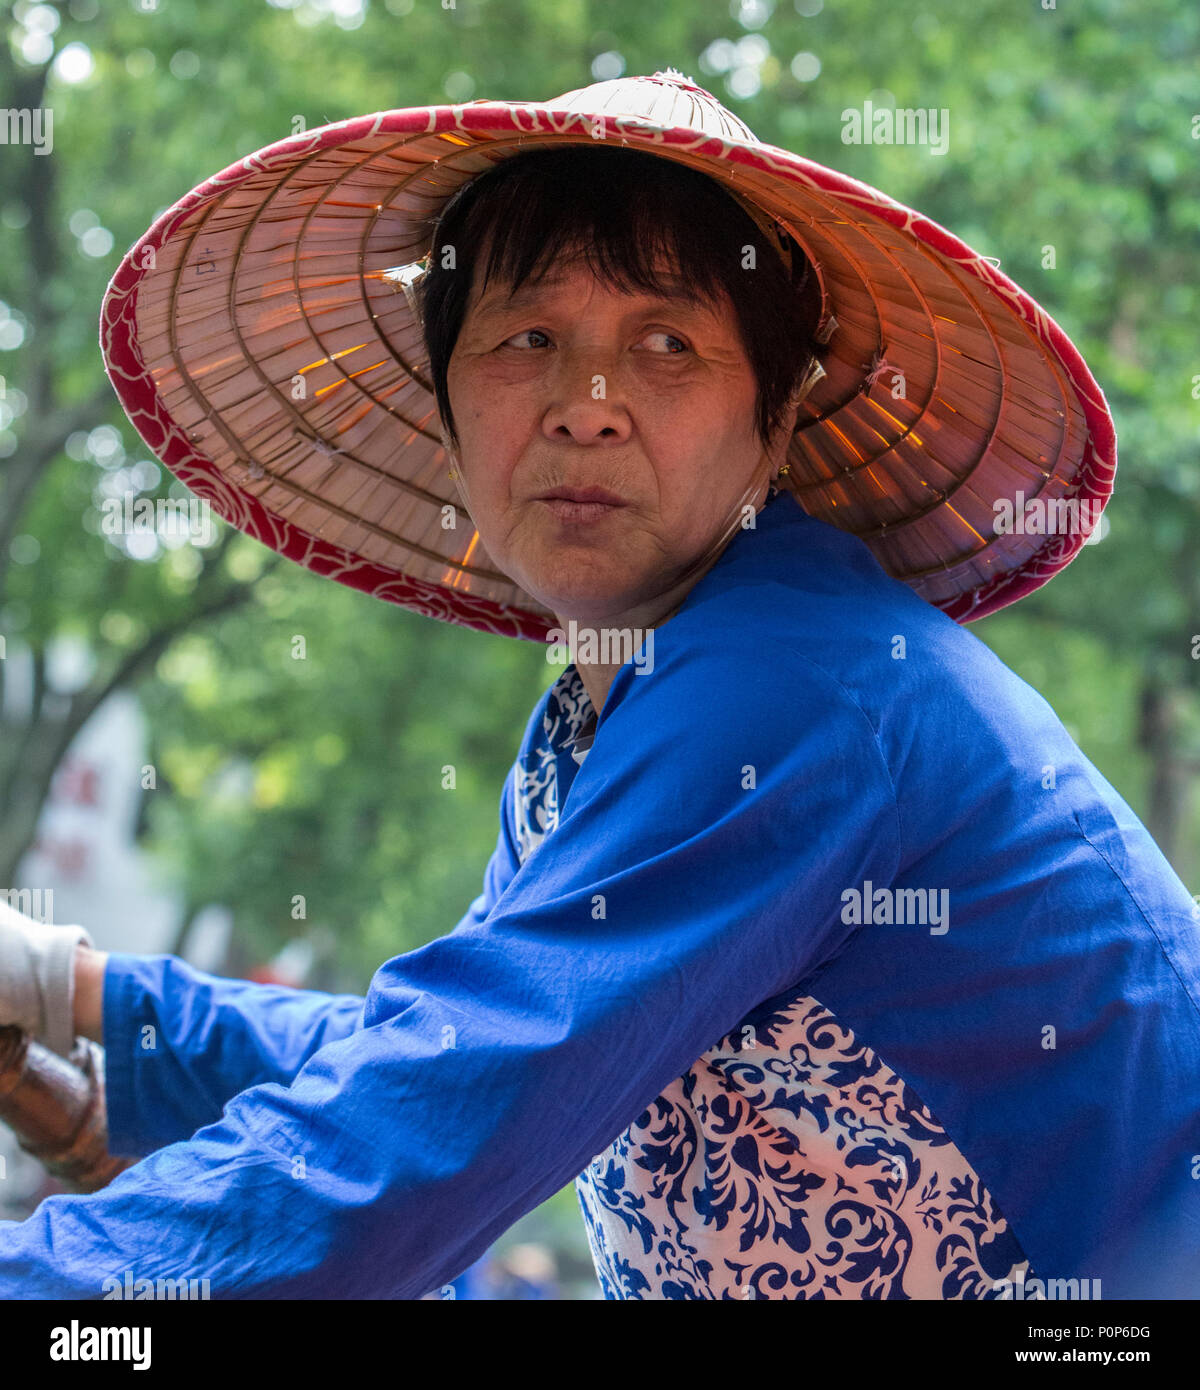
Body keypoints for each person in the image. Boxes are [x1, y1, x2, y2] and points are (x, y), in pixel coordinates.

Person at [0, 69, 1195, 1300]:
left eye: (667, 344)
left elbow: (452, 1112)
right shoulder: (602, 709)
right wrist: (75, 992)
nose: (588, 408)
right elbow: (445, 1047)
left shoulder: (800, 688)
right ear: (448, 409)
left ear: (776, 418)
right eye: (527, 341)